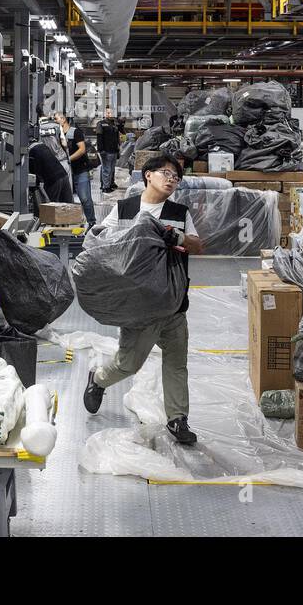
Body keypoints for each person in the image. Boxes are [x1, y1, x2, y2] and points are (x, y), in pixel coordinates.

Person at [83, 153, 204, 445]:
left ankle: (177, 419)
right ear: (148, 175)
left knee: (176, 362)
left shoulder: (179, 212)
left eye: (176, 177)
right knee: (129, 364)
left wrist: (178, 238)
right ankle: (98, 379)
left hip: (173, 302)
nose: (171, 180)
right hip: (139, 305)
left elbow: (198, 245)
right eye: (166, 173)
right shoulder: (125, 209)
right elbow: (102, 240)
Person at [54, 111, 96, 225]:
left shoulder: (75, 132)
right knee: (67, 200)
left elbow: (82, 150)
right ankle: (70, 223)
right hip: (66, 172)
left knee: (85, 198)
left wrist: (68, 159)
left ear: (63, 119)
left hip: (80, 170)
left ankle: (92, 223)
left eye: (56, 119)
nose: (55, 122)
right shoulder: (56, 136)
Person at [27, 141, 72, 208]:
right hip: (64, 175)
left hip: (53, 180)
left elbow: (37, 179)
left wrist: (45, 197)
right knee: (68, 207)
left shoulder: (32, 153)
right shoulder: (44, 146)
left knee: (52, 209)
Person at [96, 108, 123, 193]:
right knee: (106, 169)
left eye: (111, 113)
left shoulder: (115, 124)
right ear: (105, 114)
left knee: (111, 169)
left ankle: (110, 183)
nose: (109, 114)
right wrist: (101, 150)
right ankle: (105, 187)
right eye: (108, 113)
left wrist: (121, 123)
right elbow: (99, 138)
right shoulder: (100, 124)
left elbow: (120, 134)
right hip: (106, 150)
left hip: (114, 150)